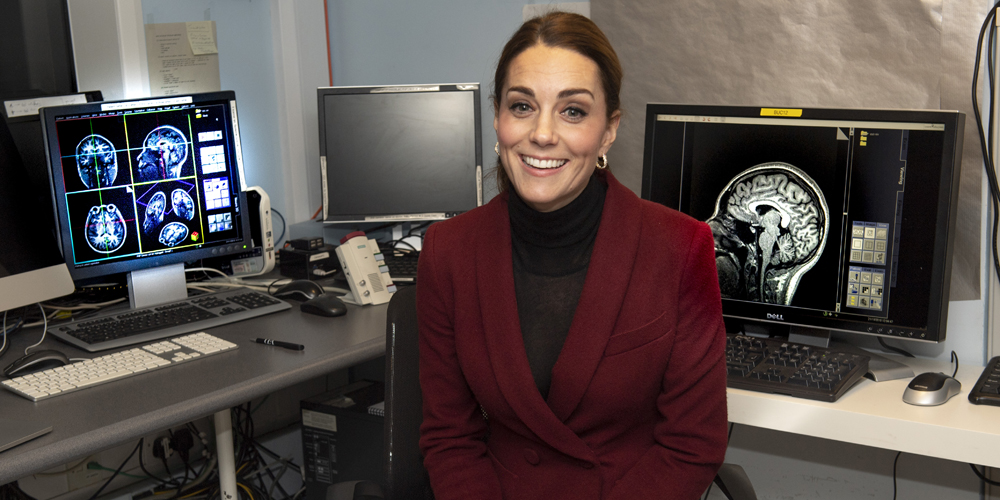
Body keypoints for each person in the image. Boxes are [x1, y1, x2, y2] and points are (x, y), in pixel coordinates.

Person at [417, 11, 728, 500]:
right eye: (522, 106)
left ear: (608, 130)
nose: (542, 133)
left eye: (573, 111)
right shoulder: (447, 252)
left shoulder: (680, 248)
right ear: (497, 117)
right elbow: (450, 438)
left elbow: (692, 446)